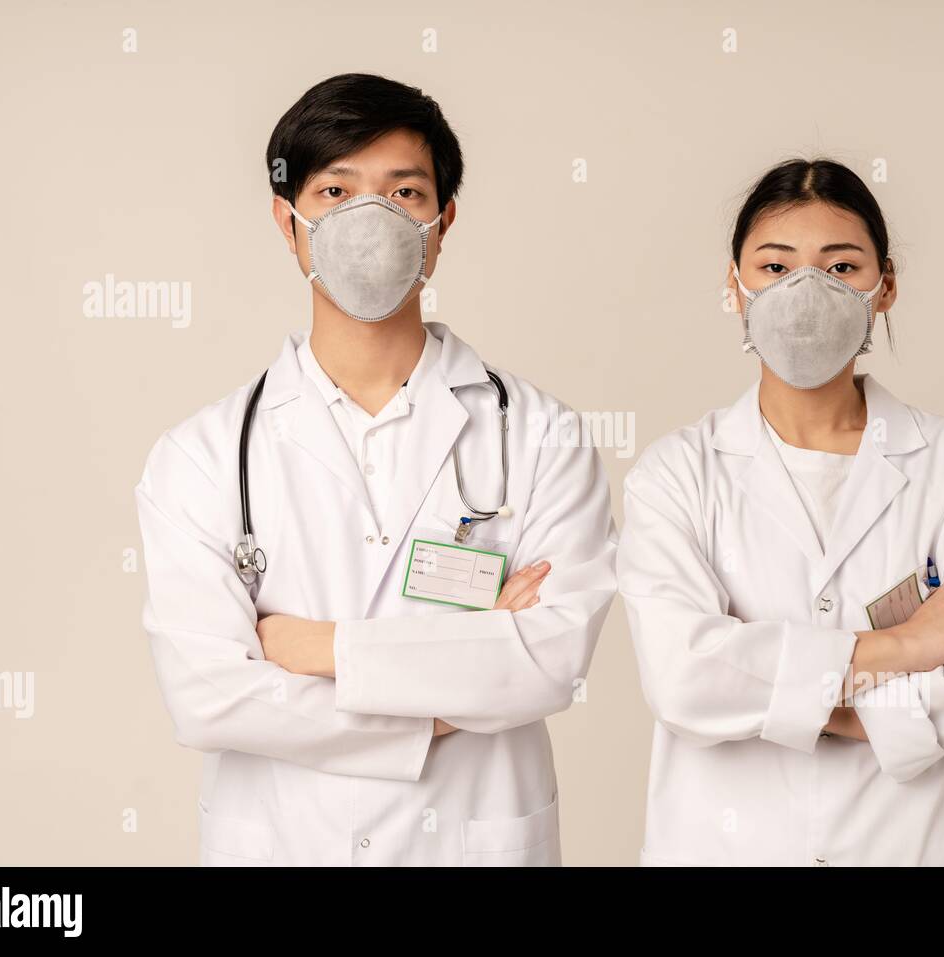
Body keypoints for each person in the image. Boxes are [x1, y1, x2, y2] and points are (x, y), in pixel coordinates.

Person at [133, 74, 617, 866]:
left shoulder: (541, 436)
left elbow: (545, 664)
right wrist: (441, 700)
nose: (371, 219)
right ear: (287, 221)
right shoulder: (201, 455)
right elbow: (208, 700)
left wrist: (313, 646)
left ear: (442, 222)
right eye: (334, 190)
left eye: (404, 192)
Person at [617, 158, 944, 867]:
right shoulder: (677, 473)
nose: (806, 293)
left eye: (841, 267)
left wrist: (781, 691)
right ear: (735, 286)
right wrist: (910, 647)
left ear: (885, 288)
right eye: (776, 266)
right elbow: (685, 678)